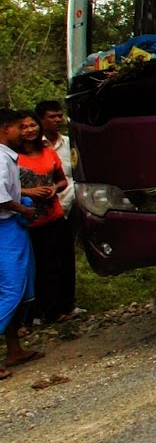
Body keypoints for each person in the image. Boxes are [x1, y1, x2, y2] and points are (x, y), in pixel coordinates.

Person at [16, 110, 75, 326]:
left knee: (62, 262)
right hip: (27, 222)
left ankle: (64, 307)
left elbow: (62, 181)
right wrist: (29, 192)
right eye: (23, 127)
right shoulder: (11, 157)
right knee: (39, 268)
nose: (29, 130)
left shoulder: (48, 152)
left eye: (32, 125)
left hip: (55, 215)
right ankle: (40, 312)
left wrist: (53, 188)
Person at [0, 107, 41, 378]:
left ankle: (14, 349)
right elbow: (1, 198)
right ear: (5, 129)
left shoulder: (8, 157)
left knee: (19, 289)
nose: (22, 133)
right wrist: (24, 209)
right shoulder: (1, 159)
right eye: (18, 128)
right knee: (11, 289)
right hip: (5, 226)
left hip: (11, 227)